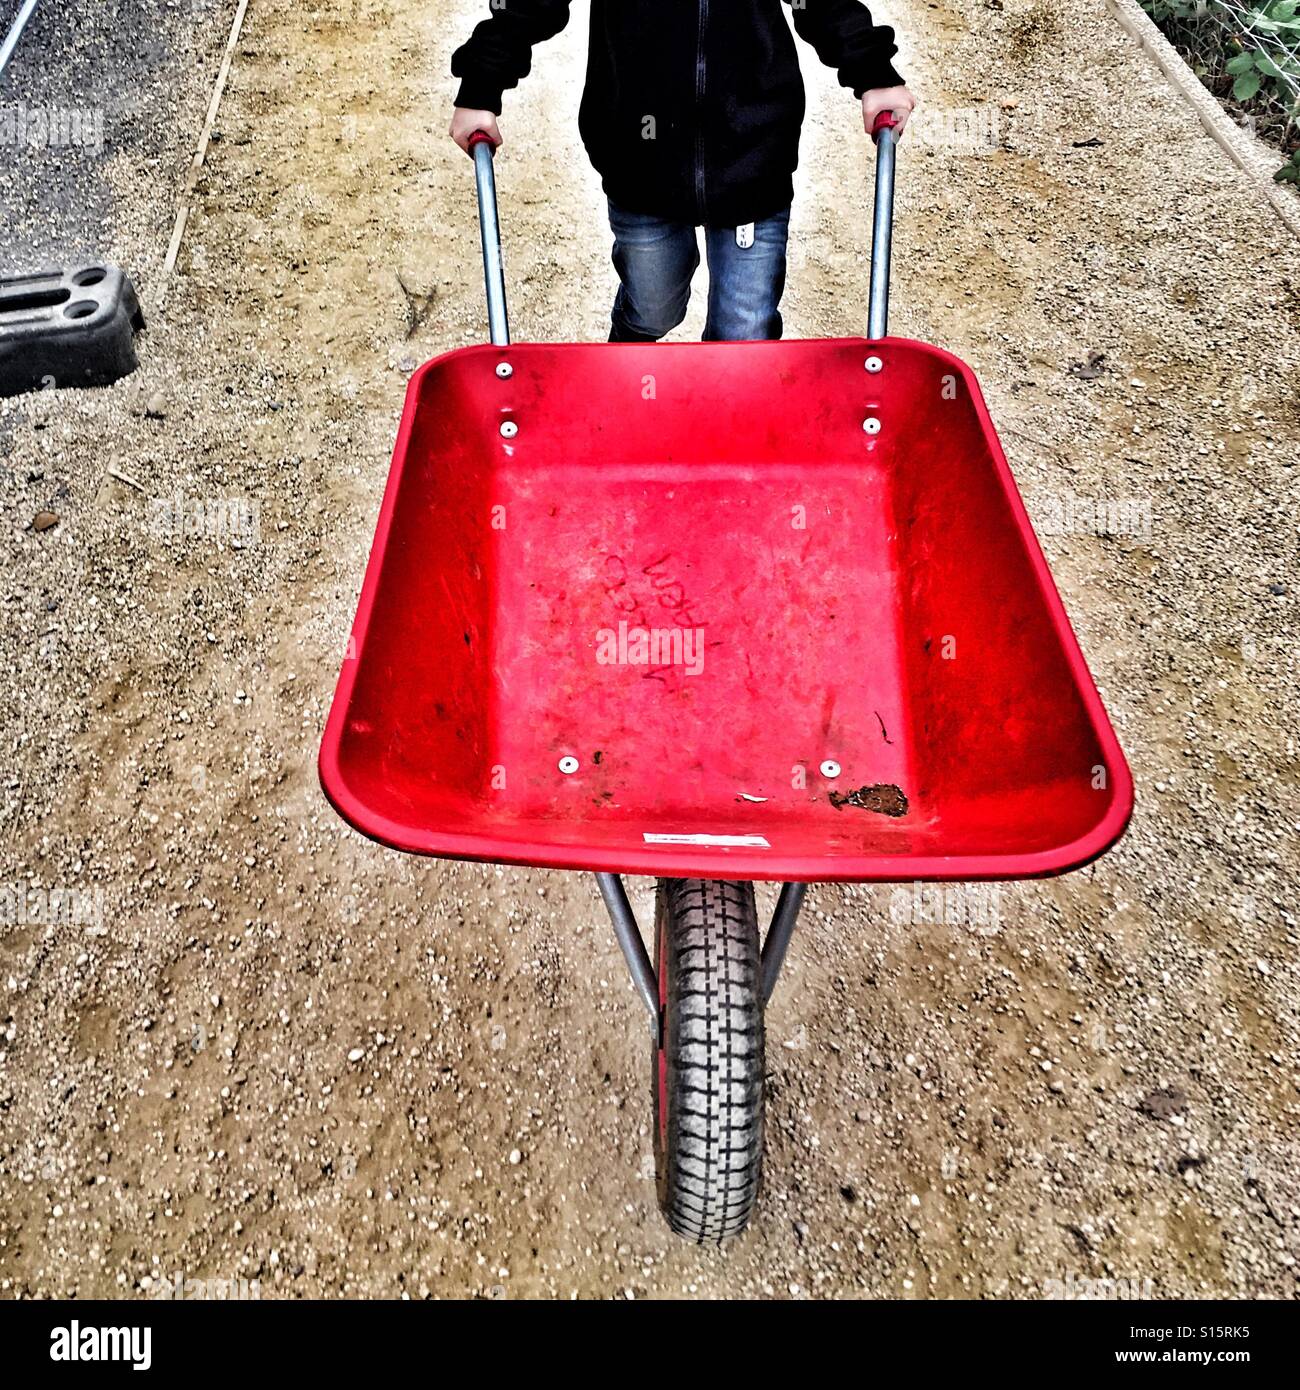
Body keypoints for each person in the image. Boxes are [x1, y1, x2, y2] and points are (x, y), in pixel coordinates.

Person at [449, 1, 915, 342]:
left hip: (750, 154)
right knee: (653, 308)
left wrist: (873, 73)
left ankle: (723, 448)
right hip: (642, 162)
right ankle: (630, 399)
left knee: (745, 333)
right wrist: (480, 85)